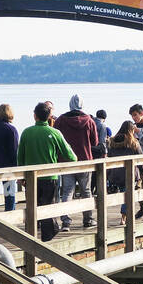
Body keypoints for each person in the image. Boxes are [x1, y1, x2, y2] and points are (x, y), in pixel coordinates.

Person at [17, 101, 76, 241]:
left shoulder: (26, 132)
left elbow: (20, 157)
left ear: (34, 116)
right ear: (49, 116)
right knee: (48, 209)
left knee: (32, 209)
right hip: (50, 177)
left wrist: (21, 176)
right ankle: (47, 239)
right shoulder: (55, 133)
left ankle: (32, 240)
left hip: (31, 179)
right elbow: (72, 157)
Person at [55, 94, 100, 231]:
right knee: (86, 191)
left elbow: (56, 139)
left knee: (67, 191)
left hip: (67, 161)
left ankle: (66, 222)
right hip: (85, 161)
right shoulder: (89, 120)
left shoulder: (61, 120)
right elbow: (95, 142)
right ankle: (88, 219)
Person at [106, 120, 141, 223]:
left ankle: (124, 216)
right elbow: (140, 157)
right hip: (129, 174)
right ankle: (124, 217)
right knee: (128, 195)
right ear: (131, 130)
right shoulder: (133, 142)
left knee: (123, 193)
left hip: (115, 174)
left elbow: (109, 157)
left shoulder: (112, 141)